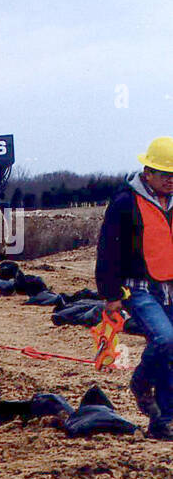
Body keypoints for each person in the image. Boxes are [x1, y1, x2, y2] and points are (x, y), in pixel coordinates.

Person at [96, 136, 173, 439]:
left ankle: (163, 421)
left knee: (171, 353)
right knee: (166, 340)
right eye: (165, 174)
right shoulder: (125, 203)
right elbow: (108, 250)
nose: (170, 180)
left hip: (170, 285)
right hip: (139, 289)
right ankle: (141, 383)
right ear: (147, 171)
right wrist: (111, 295)